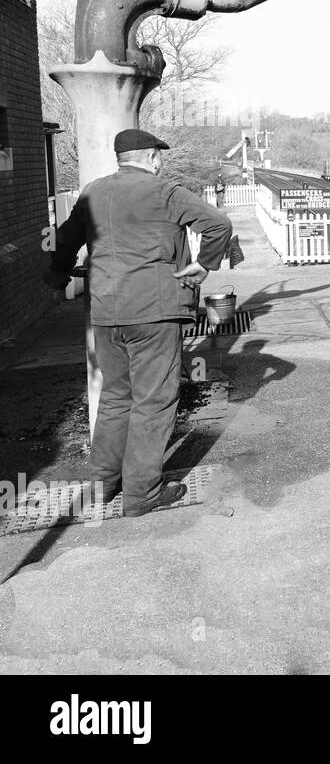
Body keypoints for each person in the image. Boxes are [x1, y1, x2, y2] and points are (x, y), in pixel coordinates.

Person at [45, 129, 234, 517]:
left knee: (116, 398)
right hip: (155, 311)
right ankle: (142, 494)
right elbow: (218, 225)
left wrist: (58, 276)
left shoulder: (93, 192)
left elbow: (64, 241)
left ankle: (100, 487)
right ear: (151, 158)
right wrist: (204, 264)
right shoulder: (165, 192)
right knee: (153, 401)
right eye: (158, 157)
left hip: (107, 312)